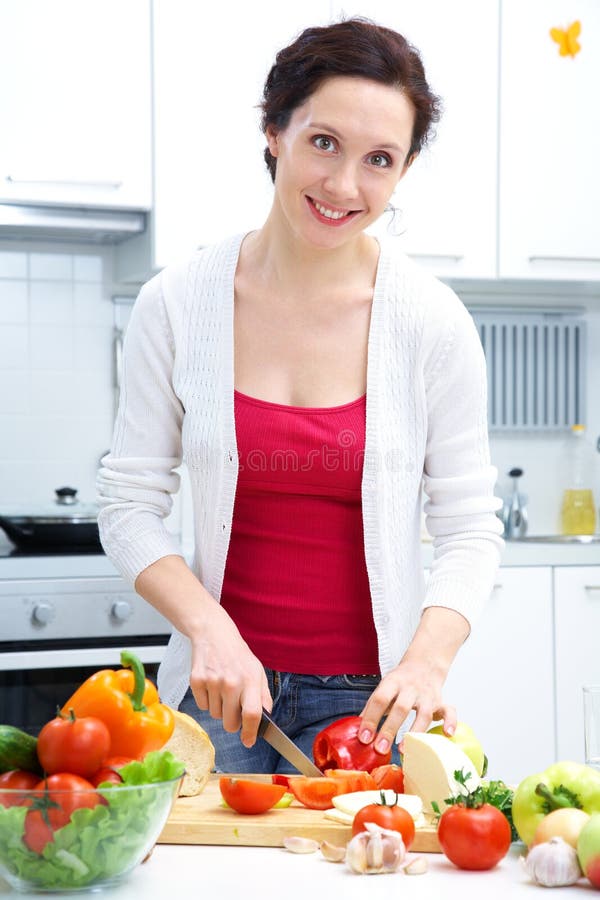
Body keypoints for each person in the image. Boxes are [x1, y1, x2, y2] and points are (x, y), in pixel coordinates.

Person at [97, 18, 504, 773]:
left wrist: (427, 661)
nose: (344, 186)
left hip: (373, 706)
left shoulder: (431, 321)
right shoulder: (178, 303)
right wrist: (210, 633)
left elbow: (470, 526)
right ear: (273, 130)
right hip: (219, 695)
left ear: (403, 171)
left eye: (378, 160)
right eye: (324, 142)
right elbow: (127, 507)